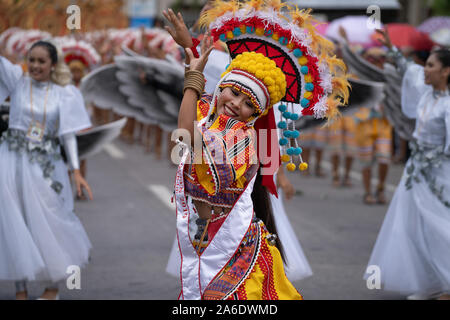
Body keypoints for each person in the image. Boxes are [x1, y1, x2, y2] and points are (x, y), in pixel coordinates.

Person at [165, 0, 348, 300]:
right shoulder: (207, 112)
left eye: (248, 103)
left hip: (233, 247)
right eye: (233, 92)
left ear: (256, 114)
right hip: (203, 242)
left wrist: (192, 79)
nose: (236, 104)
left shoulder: (243, 141)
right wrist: (191, 54)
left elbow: (184, 137)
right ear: (221, 87)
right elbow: (195, 113)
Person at [0, 40, 93, 300]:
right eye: (32, 60)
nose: (35, 66)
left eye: (41, 61)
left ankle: (52, 288)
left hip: (46, 168)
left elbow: (68, 135)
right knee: (14, 223)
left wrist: (76, 171)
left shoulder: (63, 94)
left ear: (53, 64)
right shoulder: (17, 83)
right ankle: (20, 289)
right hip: (11, 163)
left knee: (53, 221)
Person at [364, 30, 450, 300]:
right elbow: (408, 70)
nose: (425, 70)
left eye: (431, 66)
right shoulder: (427, 93)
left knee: (440, 226)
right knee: (413, 225)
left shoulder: (448, 105)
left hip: (440, 175)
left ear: (446, 71)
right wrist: (391, 48)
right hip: (416, 173)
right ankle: (427, 282)